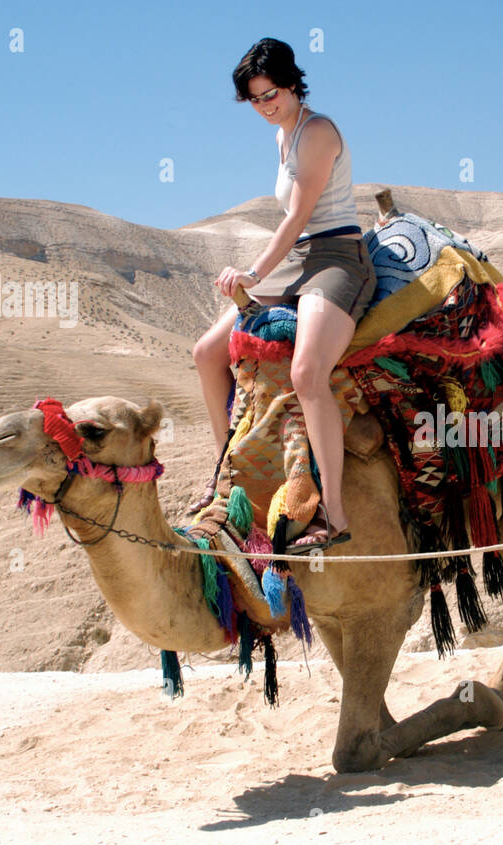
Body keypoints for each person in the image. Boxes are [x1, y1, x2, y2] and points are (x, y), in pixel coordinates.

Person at [190, 37, 376, 554]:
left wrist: (250, 272)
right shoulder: (282, 135)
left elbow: (296, 218)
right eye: (254, 99)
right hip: (298, 260)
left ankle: (334, 515)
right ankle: (229, 481)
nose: (265, 105)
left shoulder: (316, 132)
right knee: (207, 353)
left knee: (306, 373)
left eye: (271, 94)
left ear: (293, 83)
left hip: (337, 258)